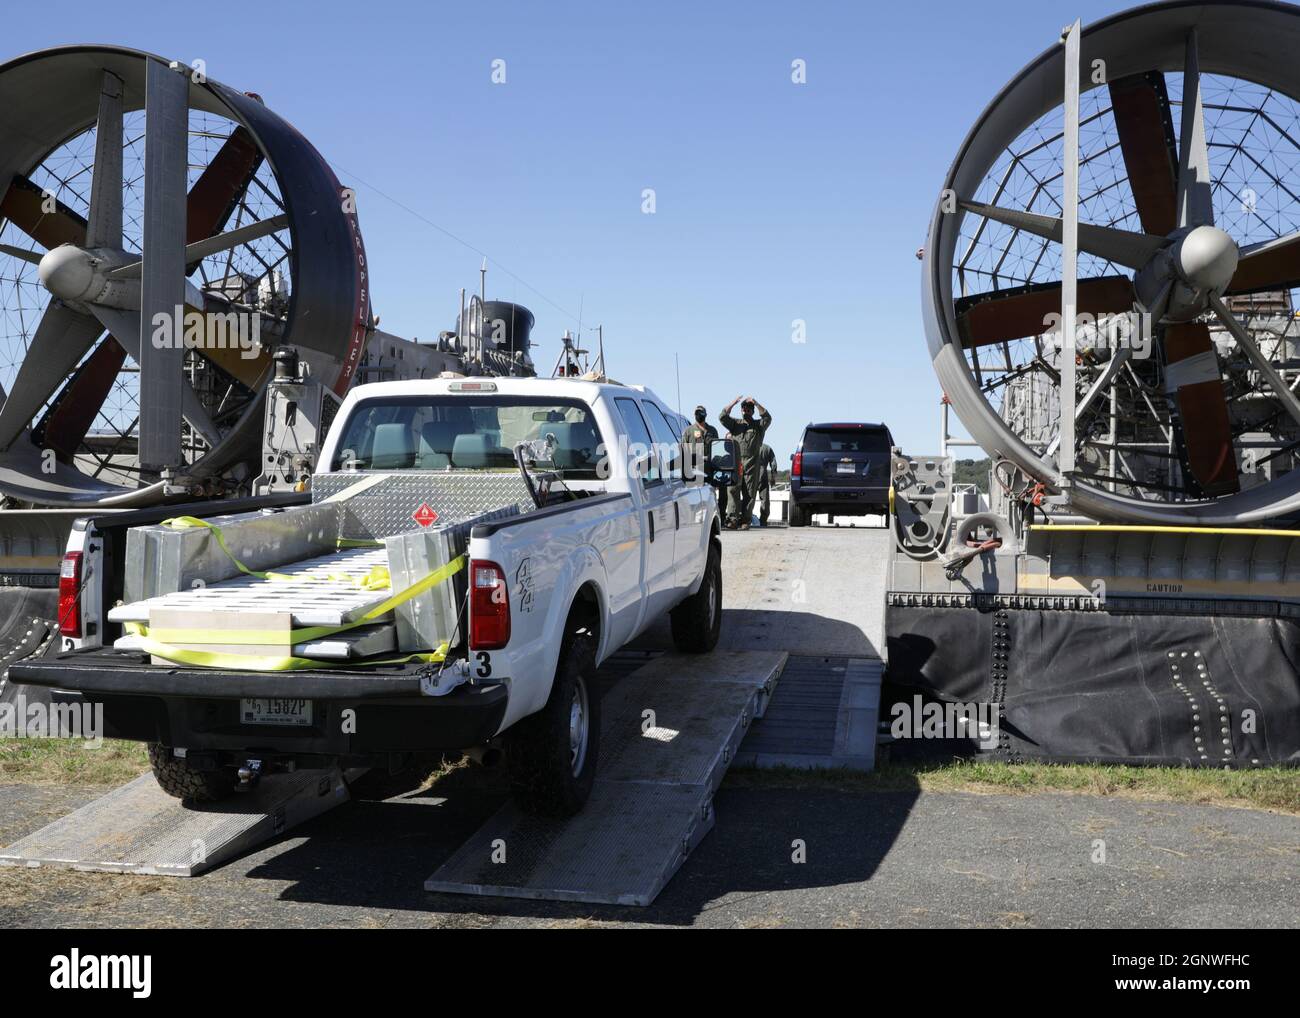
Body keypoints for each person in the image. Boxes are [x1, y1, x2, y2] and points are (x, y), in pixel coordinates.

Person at [719, 395, 772, 530]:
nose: (746, 411)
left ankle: (745, 520)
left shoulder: (758, 426)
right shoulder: (735, 424)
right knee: (733, 491)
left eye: (749, 409)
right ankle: (732, 519)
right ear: (741, 410)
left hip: (752, 463)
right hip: (736, 463)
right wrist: (733, 403)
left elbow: (768, 418)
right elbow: (722, 417)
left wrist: (756, 402)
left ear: (753, 411)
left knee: (749, 493)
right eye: (744, 409)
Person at [681, 405, 726, 521]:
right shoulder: (688, 431)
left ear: (705, 415)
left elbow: (717, 449)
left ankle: (713, 519)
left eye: (700, 413)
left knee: (710, 495)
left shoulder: (712, 431)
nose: (698, 415)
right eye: (696, 413)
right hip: (694, 470)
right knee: (694, 497)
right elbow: (683, 451)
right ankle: (693, 520)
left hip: (710, 470)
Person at [757, 442, 777, 526]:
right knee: (765, 499)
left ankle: (745, 519)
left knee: (748, 498)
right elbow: (773, 463)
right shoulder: (767, 448)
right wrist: (773, 477)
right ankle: (763, 520)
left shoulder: (750, 446)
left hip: (750, 473)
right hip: (763, 473)